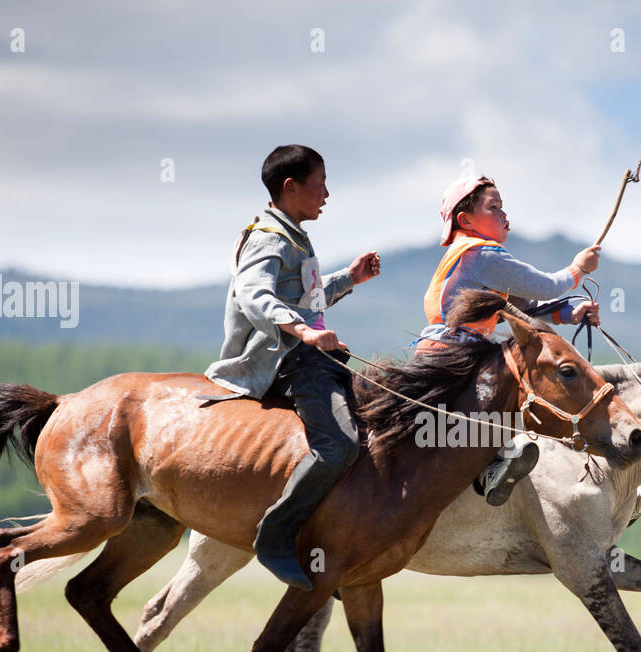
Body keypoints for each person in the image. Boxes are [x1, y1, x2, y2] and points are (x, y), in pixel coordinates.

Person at [205, 144, 381, 590]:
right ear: (291, 187)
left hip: (309, 354)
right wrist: (304, 333)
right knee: (339, 445)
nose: (326, 193)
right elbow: (255, 295)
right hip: (287, 360)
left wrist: (350, 279)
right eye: (319, 184)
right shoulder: (268, 237)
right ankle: (276, 536)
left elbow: (305, 299)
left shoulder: (294, 235)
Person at [418, 175, 601, 504]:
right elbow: (547, 285)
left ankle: (494, 458)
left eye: (503, 207)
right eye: (494, 207)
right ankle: (497, 462)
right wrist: (579, 269)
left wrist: (568, 315)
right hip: (460, 355)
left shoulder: (465, 258)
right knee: (521, 383)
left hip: (437, 352)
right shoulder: (483, 256)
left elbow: (523, 308)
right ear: (466, 220)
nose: (505, 215)